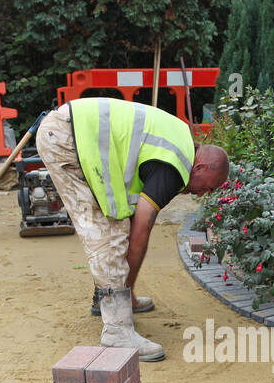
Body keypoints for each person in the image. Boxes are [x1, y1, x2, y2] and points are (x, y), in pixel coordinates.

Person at [35, 97, 229, 361]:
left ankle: (108, 300)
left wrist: (130, 293)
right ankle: (116, 330)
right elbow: (140, 234)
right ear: (201, 167)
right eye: (209, 186)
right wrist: (128, 288)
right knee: (108, 234)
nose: (204, 194)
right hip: (68, 141)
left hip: (70, 132)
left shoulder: (181, 143)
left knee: (118, 222)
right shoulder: (173, 167)